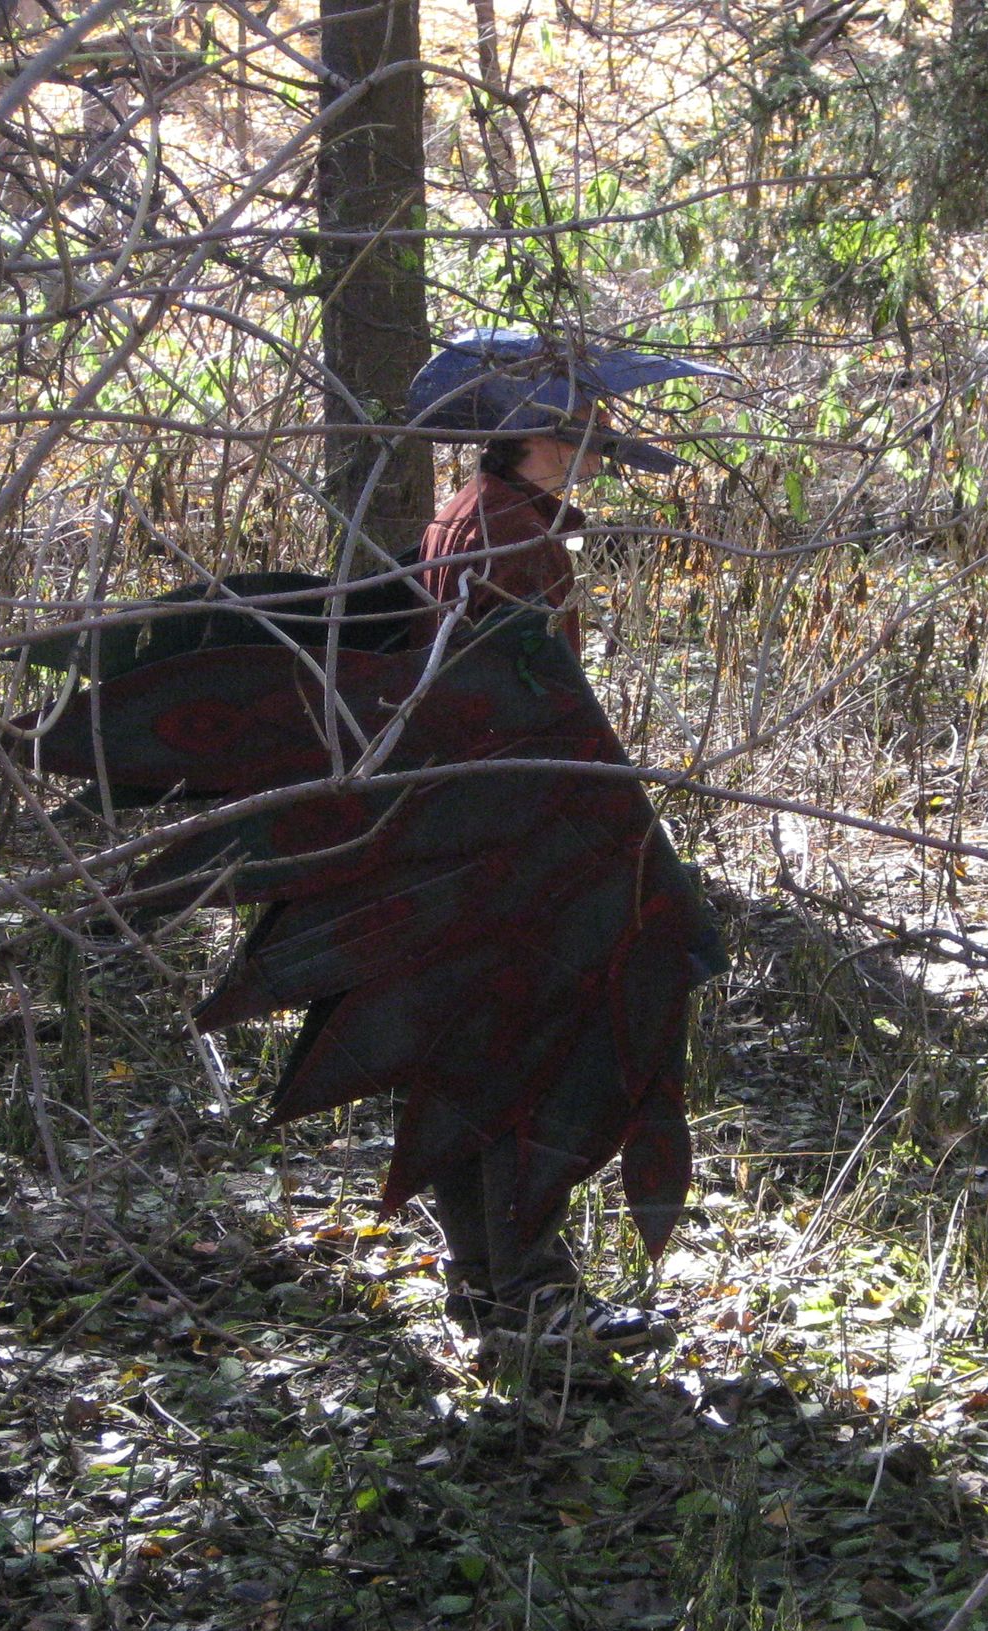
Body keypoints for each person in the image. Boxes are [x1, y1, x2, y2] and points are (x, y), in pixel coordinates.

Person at [400, 328, 729, 1351]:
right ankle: (531, 1297)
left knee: (471, 1058)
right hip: (500, 839)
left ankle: (494, 1291)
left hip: (465, 834)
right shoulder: (505, 532)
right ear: (535, 430)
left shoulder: (484, 515)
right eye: (587, 418)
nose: (605, 433)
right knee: (521, 1059)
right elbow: (510, 707)